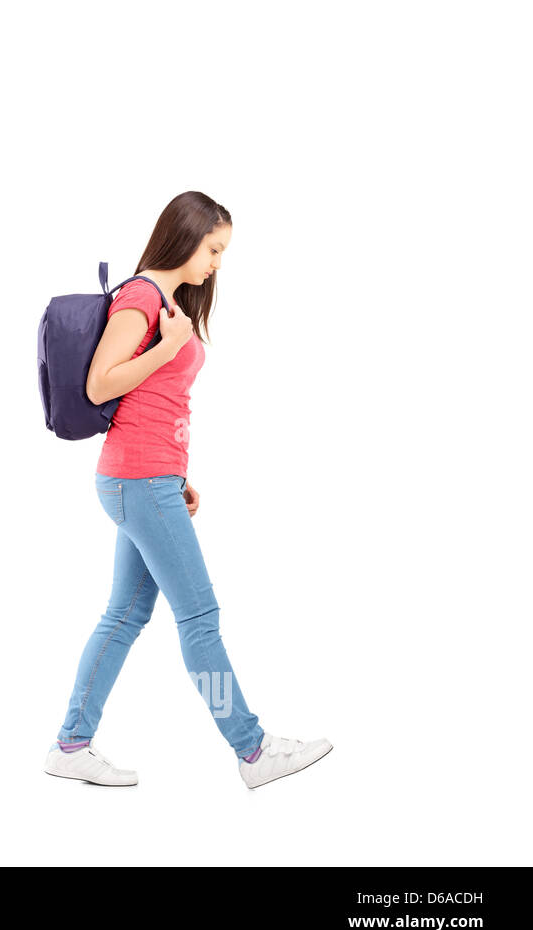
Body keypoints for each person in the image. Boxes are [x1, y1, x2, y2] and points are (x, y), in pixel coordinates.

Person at [43, 191, 330, 790]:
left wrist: (175, 475)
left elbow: (155, 401)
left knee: (124, 615)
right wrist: (170, 348)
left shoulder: (164, 300)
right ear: (186, 235)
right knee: (200, 616)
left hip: (146, 478)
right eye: (214, 249)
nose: (217, 263)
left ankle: (71, 744)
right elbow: (100, 385)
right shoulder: (142, 297)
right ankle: (253, 752)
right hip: (138, 480)